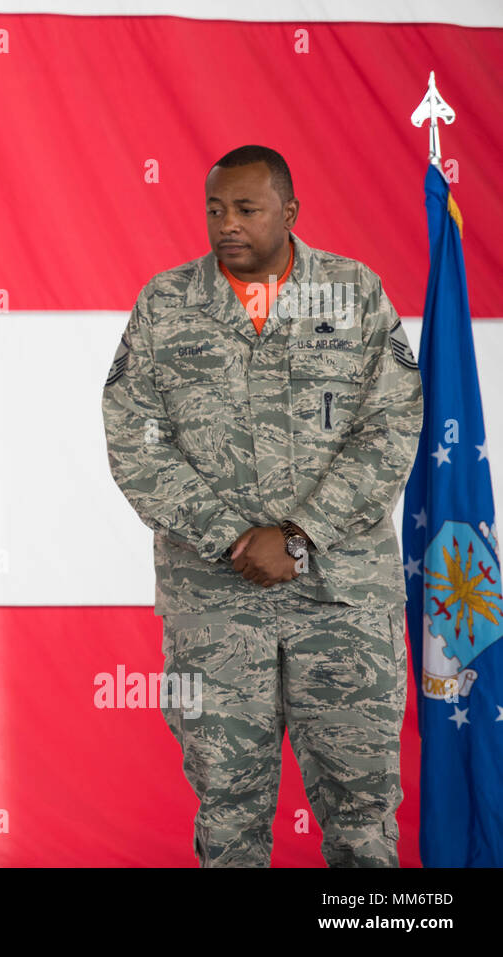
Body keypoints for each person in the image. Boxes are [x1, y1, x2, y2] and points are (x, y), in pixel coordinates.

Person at [102, 145, 424, 867]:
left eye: (246, 208)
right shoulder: (166, 303)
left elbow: (393, 425)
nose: (227, 224)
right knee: (228, 820)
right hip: (215, 605)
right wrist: (233, 540)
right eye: (215, 208)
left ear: (289, 211)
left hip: (342, 602)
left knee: (363, 820)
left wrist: (302, 534)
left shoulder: (355, 293)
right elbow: (134, 442)